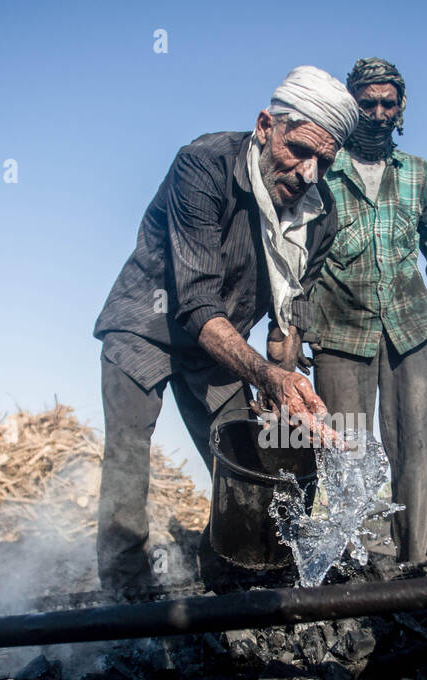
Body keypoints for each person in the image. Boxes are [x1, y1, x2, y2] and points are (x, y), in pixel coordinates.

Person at [92, 66, 358, 592]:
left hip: (221, 344)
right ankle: (127, 595)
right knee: (127, 454)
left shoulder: (318, 218)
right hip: (146, 325)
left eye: (323, 162)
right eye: (300, 150)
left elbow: (287, 321)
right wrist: (265, 375)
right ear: (265, 125)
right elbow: (194, 303)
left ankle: (228, 577)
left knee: (248, 452)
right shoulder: (205, 165)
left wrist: (287, 391)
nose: (308, 173)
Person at [308, 58, 427, 564]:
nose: (379, 113)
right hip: (340, 330)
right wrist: (289, 327)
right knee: (346, 453)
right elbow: (296, 255)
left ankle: (413, 564)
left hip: (412, 329)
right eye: (368, 103)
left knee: (413, 450)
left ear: (401, 108)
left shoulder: (418, 174)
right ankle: (346, 568)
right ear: (351, 106)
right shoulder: (323, 171)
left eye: (389, 103)